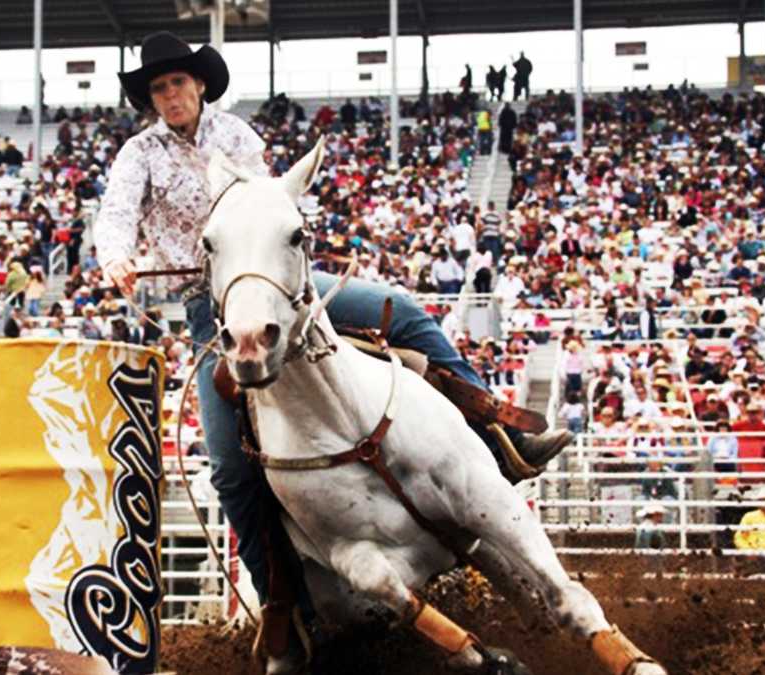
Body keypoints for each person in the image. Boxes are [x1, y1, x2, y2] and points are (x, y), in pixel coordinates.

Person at [94, 30, 573, 655]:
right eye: (157, 88)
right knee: (230, 470)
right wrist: (115, 255)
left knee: (400, 309)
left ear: (199, 84)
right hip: (210, 304)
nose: (169, 95)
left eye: (176, 82)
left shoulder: (236, 136)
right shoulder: (139, 154)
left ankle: (497, 431)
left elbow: (268, 208)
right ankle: (281, 607)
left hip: (276, 281)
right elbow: (116, 214)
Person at [733, 487, 765, 559]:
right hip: (754, 557)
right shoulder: (749, 517)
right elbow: (739, 537)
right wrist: (748, 552)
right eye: (761, 500)